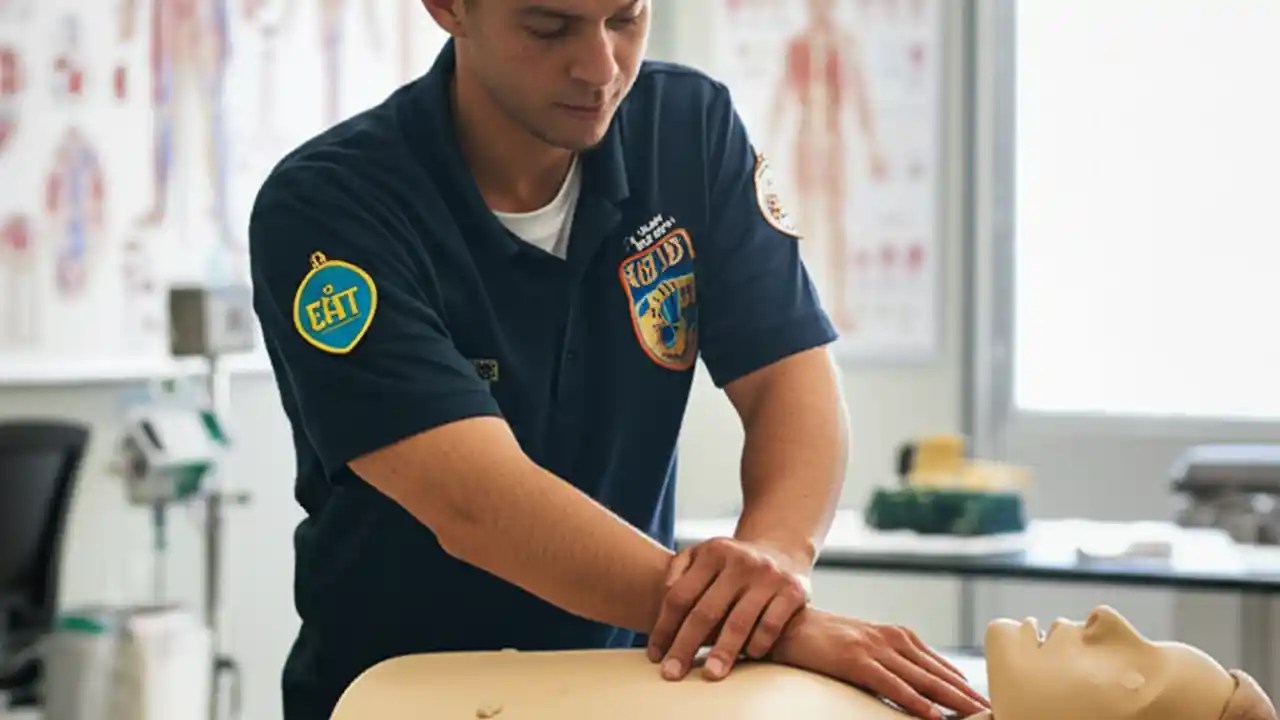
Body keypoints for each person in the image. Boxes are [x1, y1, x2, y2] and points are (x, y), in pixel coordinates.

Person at [247, 2, 989, 719]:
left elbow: (787, 379)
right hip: (403, 696)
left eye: (626, 18)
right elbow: (475, 505)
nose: (601, 67)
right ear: (449, 8)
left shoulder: (686, 128)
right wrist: (764, 626)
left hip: (627, 685)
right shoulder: (327, 206)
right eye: (550, 27)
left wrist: (773, 563)